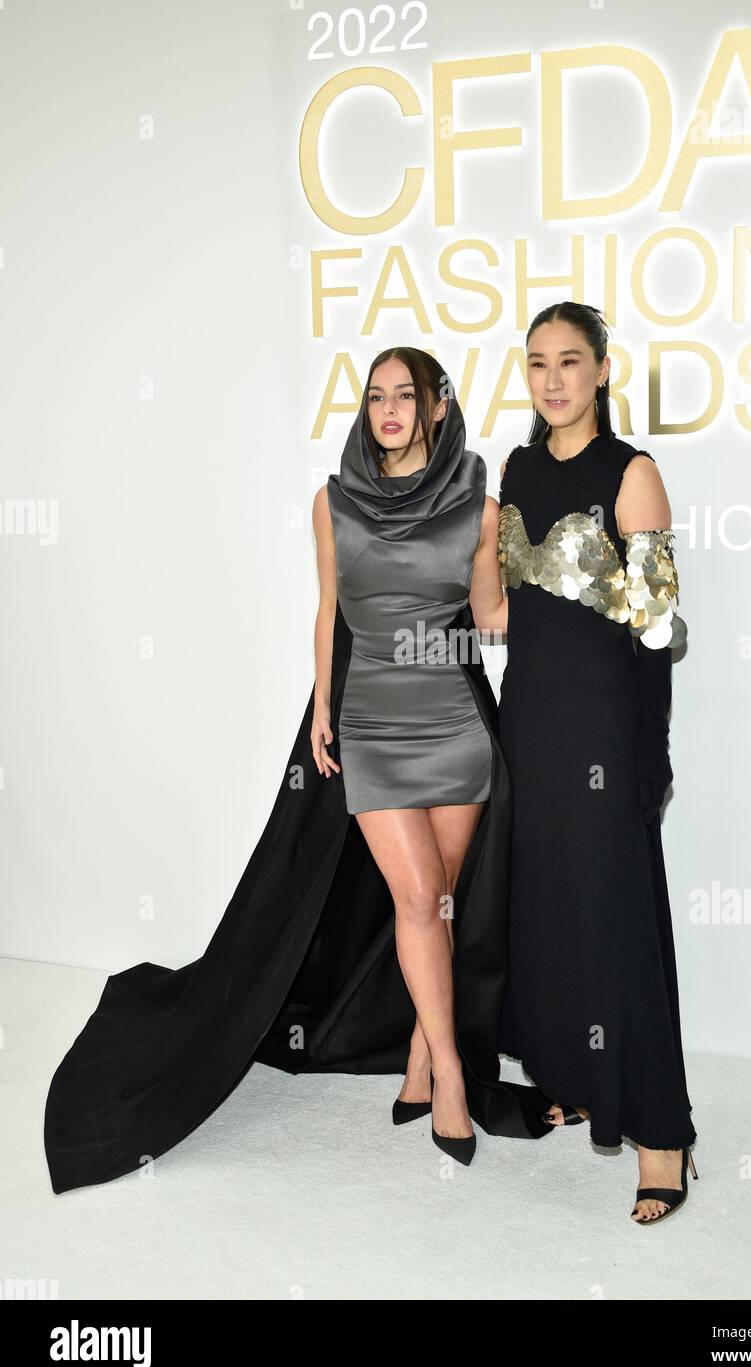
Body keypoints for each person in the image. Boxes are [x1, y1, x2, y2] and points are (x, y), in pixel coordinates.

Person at [43, 349, 551, 1195]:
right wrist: (324, 709)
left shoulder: (479, 501)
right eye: (376, 396)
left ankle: (424, 1052)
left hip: (456, 723)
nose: (388, 409)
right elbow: (329, 607)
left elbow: (491, 620)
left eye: (406, 396)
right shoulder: (334, 500)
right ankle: (455, 1077)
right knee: (419, 897)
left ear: (434, 407)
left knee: (441, 898)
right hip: (373, 722)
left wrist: (554, 576)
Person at [496, 302, 698, 1223]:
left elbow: (655, 633)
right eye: (538, 363)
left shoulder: (634, 472)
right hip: (530, 725)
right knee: (549, 912)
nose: (552, 379)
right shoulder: (517, 469)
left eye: (570, 361)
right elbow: (505, 613)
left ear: (604, 372)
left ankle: (661, 1135)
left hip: (606, 734)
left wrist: (648, 755)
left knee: (617, 923)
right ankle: (578, 1077)